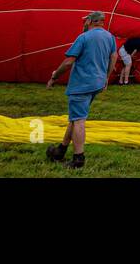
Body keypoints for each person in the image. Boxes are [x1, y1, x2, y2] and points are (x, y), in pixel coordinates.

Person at [46, 12, 118, 169]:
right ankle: (60, 150)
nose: (84, 23)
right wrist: (106, 77)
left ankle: (78, 159)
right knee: (75, 117)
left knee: (78, 121)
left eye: (85, 20)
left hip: (82, 84)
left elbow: (68, 62)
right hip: (97, 83)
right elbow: (114, 56)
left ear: (91, 21)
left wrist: (55, 76)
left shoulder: (83, 38)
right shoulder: (109, 37)